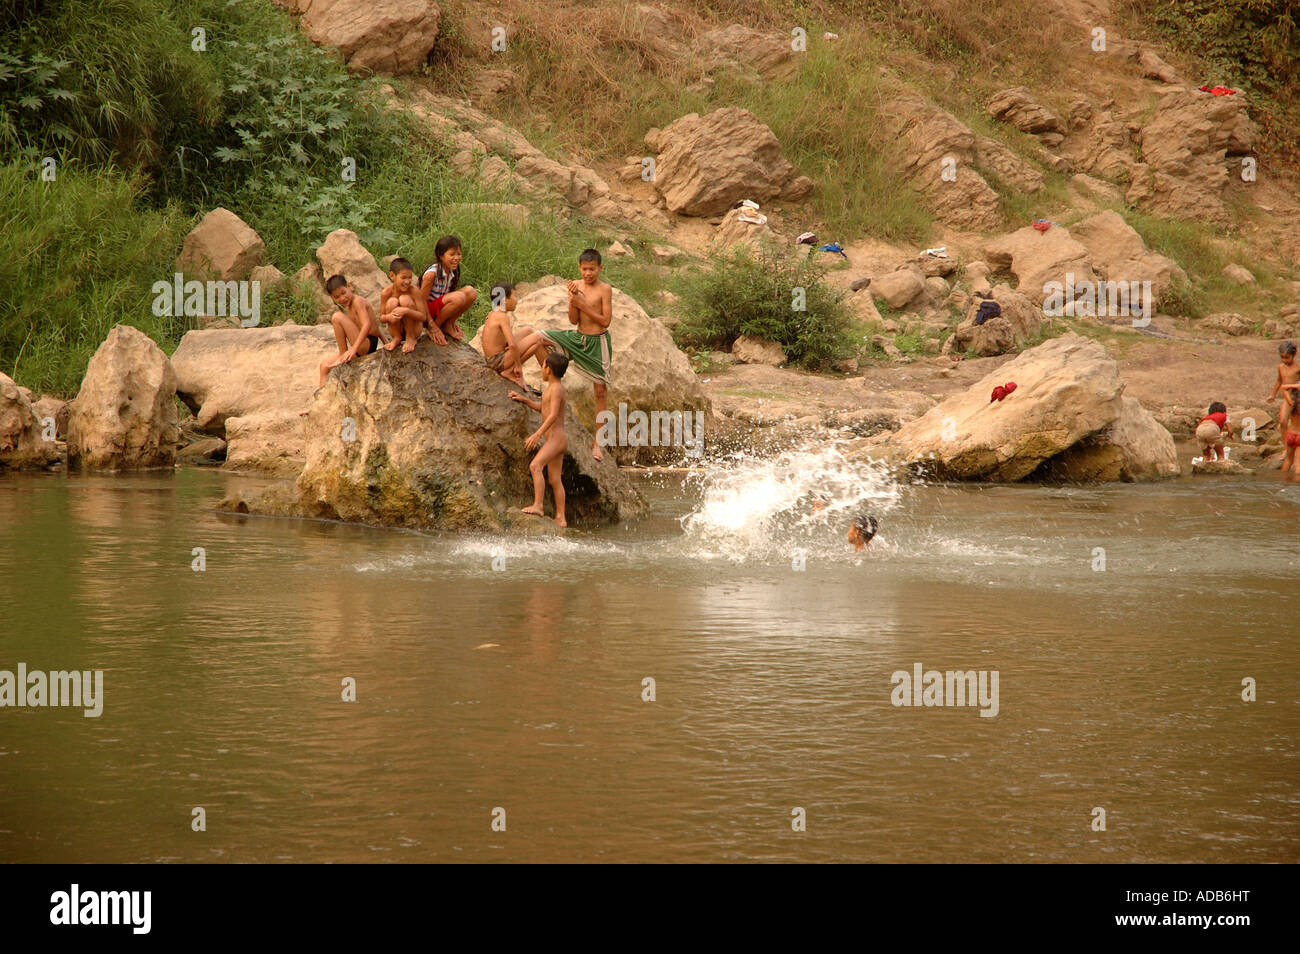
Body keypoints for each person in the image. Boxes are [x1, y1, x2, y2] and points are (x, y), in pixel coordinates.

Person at [514, 249, 613, 460]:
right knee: (538, 336)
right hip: (578, 338)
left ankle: (598, 444)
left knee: (601, 392)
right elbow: (573, 320)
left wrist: (583, 304)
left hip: (597, 343)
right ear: (579, 268)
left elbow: (605, 321)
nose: (588, 273)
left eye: (592, 269)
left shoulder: (605, 289)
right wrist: (572, 300)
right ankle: (512, 368)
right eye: (585, 269)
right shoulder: (575, 286)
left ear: (600, 268)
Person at [509, 351, 569, 527]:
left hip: (556, 438)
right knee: (554, 479)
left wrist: (537, 434)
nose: (541, 369)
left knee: (535, 466)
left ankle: (538, 505)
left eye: (542, 365)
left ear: (548, 369)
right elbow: (541, 407)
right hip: (556, 439)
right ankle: (561, 518)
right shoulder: (550, 388)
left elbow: (553, 415)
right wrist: (523, 399)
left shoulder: (557, 389)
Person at [318, 274, 380, 388]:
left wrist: (354, 349)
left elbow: (367, 324)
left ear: (349, 286)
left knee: (337, 316)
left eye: (343, 293)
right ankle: (320, 398)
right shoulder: (348, 307)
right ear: (332, 298)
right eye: (337, 297)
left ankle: (343, 353)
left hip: (366, 344)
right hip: (358, 346)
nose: (342, 298)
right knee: (324, 366)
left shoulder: (358, 301)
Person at [418, 235, 477, 349]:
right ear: (441, 256)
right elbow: (421, 302)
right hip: (426, 313)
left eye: (458, 254)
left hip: (438, 308)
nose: (456, 258)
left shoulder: (451, 271)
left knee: (471, 292)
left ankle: (448, 323)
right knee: (458, 297)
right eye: (452, 254)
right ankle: (436, 328)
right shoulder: (432, 274)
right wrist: (432, 325)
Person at [479, 282, 538, 394]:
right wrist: (518, 367)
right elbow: (512, 345)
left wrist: (507, 346)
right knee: (537, 339)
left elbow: (500, 339)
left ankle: (509, 368)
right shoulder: (502, 317)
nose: (517, 300)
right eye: (515, 296)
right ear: (505, 300)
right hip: (497, 361)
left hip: (493, 358)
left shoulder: (493, 313)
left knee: (528, 331)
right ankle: (509, 371)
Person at [379, 258, 425, 352]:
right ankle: (396, 337)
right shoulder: (386, 293)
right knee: (392, 302)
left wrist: (407, 311)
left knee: (405, 299)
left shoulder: (414, 291)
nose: (407, 281)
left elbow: (423, 317)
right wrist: (389, 317)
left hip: (414, 330)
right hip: (398, 328)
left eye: (410, 277)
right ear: (392, 276)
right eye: (403, 278)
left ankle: (410, 337)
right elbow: (382, 318)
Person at [1266, 341, 1300, 432]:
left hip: (1297, 398)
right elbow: (1279, 381)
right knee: (1283, 421)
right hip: (1287, 397)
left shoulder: (1298, 368)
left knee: (1296, 421)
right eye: (1282, 357)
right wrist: (1272, 394)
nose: (1284, 360)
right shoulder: (1280, 367)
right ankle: (1285, 445)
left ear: (1294, 355)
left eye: (1287, 358)